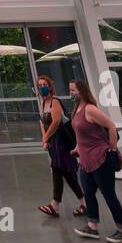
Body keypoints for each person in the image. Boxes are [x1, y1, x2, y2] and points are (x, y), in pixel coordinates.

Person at [69, 79, 122, 243]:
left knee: (108, 194)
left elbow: (111, 126)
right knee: (88, 193)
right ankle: (92, 226)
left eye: (73, 90)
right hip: (85, 160)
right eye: (70, 90)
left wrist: (113, 150)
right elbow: (80, 134)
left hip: (100, 158)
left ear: (81, 91)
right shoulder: (77, 109)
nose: (71, 93)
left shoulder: (90, 109)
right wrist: (77, 147)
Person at [37, 75, 84, 219]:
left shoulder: (55, 102)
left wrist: (46, 137)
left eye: (44, 84)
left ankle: (55, 205)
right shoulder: (43, 102)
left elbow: (56, 121)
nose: (42, 87)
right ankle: (81, 203)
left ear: (50, 86)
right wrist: (45, 138)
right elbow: (42, 122)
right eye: (39, 85)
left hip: (61, 141)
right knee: (64, 172)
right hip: (52, 143)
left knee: (61, 170)